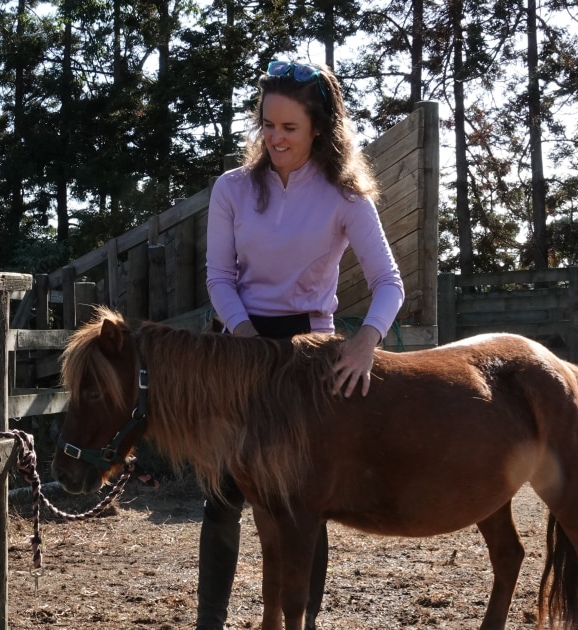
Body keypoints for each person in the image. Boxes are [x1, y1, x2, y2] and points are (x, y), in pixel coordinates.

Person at [200, 59, 405, 629]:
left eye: (289, 127)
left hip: (310, 354)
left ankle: (304, 622)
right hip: (241, 344)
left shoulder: (346, 197)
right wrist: (245, 338)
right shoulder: (232, 189)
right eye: (268, 124)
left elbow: (389, 282)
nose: (275, 138)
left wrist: (365, 342)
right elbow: (218, 276)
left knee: (304, 504)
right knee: (223, 497)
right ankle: (209, 622)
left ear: (319, 128)